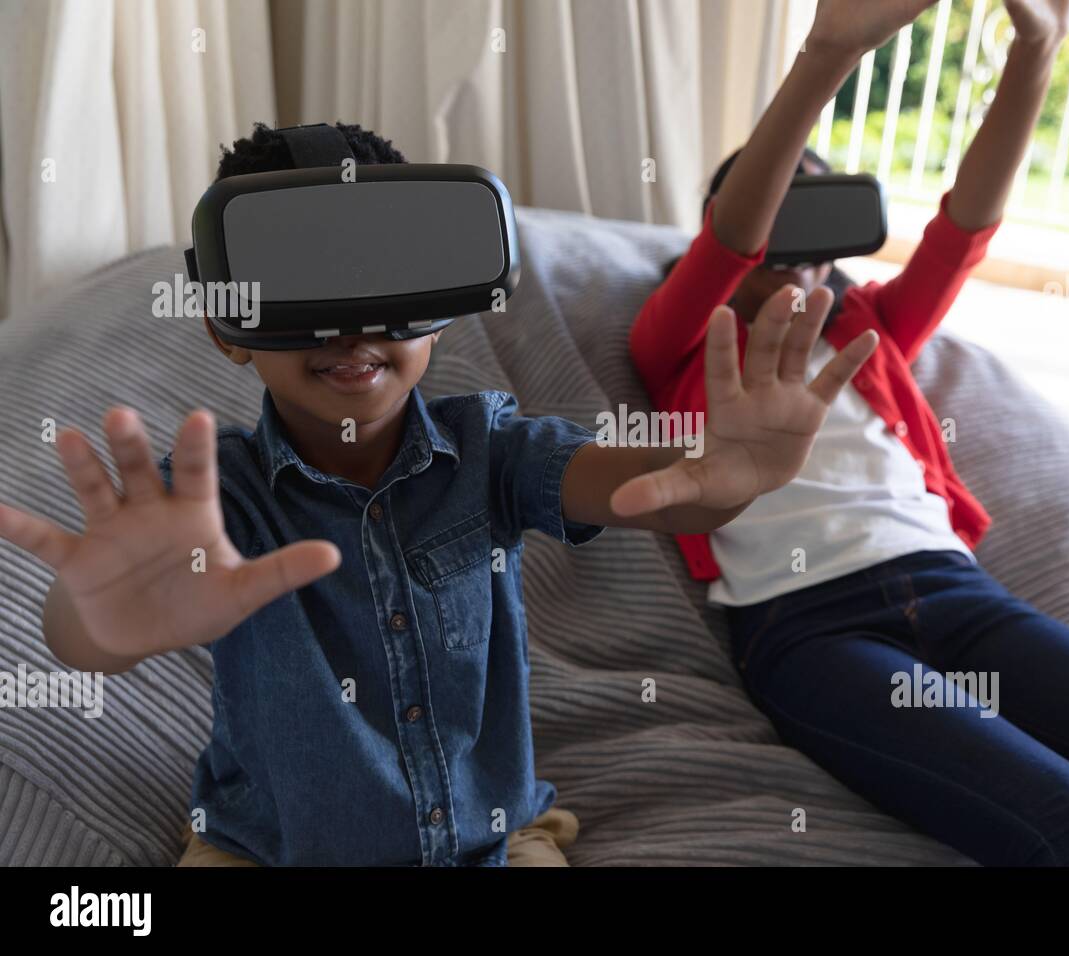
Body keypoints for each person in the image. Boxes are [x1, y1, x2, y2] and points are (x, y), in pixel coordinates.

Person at [0, 122, 877, 867]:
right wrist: (99, 622)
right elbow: (91, 635)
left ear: (440, 295)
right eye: (301, 280)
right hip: (263, 849)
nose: (351, 326)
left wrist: (724, 480)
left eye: (382, 276)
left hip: (487, 840)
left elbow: (648, 489)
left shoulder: (491, 447)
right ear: (229, 323)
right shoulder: (209, 500)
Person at [628, 0, 1069, 865]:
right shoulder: (684, 340)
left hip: (957, 596)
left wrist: (1036, 51)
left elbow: (964, 229)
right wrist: (829, 53)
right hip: (812, 632)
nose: (796, 254)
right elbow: (728, 246)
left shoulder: (870, 330)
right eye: (775, 226)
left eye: (818, 223)